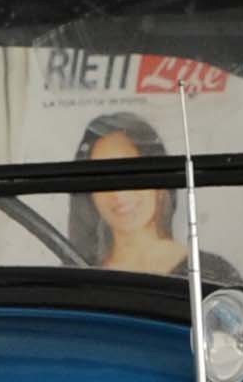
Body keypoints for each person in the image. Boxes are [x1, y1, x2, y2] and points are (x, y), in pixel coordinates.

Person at [70, 111, 189, 275]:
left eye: (130, 173)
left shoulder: (210, 274)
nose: (119, 193)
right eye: (102, 179)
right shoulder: (73, 277)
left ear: (160, 181)